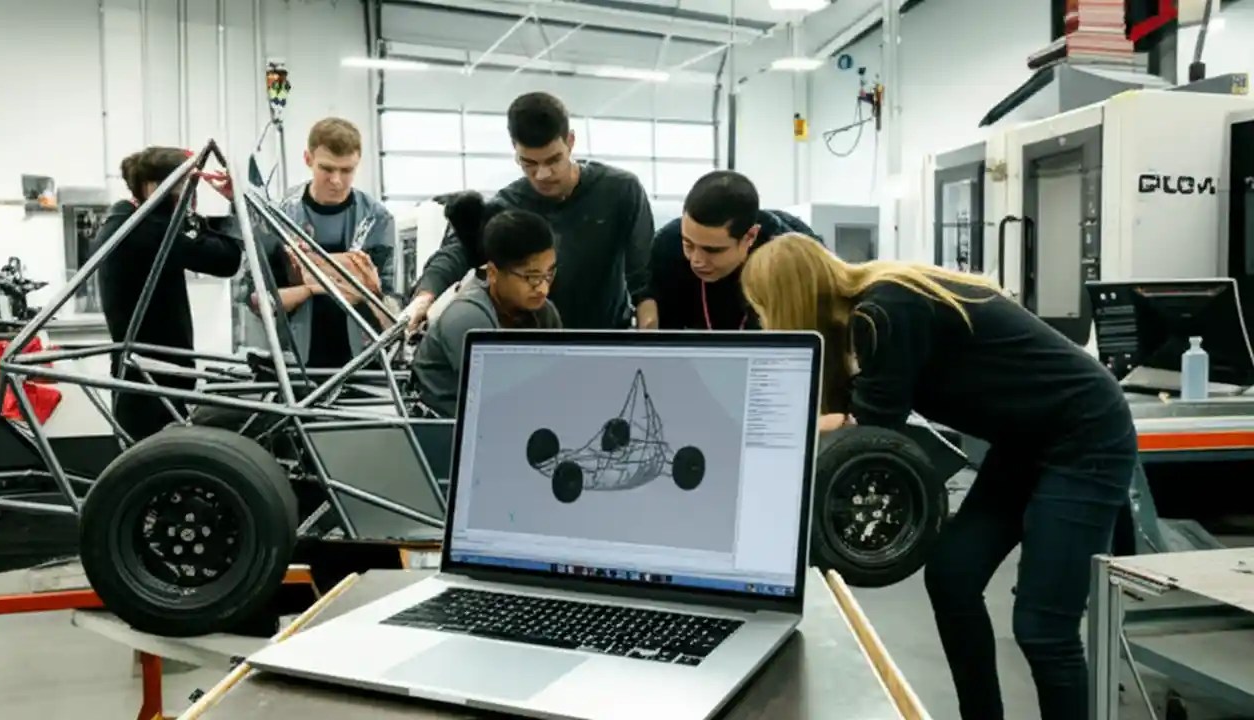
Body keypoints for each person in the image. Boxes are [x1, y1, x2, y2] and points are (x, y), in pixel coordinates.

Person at [740, 233, 1138, 720]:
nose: (763, 320)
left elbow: (874, 435)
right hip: (1027, 438)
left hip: (1085, 434)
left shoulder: (884, 310)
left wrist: (799, 426)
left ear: (786, 299)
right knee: (953, 576)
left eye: (762, 308)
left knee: (1043, 627)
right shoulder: (868, 313)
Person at [404, 91, 654, 331]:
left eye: (553, 160)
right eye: (529, 164)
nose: (542, 174)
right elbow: (455, 252)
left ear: (570, 141)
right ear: (515, 148)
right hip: (536, 343)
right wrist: (424, 297)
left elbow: (644, 280)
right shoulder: (508, 206)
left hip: (606, 339)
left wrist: (649, 342)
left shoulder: (621, 191)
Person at [97, 146, 243, 441]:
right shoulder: (142, 227)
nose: (191, 198)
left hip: (153, 375)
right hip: (150, 382)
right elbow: (227, 259)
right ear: (154, 187)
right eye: (187, 187)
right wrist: (235, 202)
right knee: (154, 472)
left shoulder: (129, 217)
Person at [250, 117, 397, 368]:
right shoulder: (278, 217)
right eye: (327, 169)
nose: (336, 180)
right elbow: (256, 299)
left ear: (357, 163)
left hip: (362, 361)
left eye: (347, 170)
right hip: (296, 361)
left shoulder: (377, 219)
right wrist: (322, 286)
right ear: (308, 160)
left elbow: (390, 303)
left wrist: (311, 281)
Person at [411, 199, 561, 417]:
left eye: (549, 274)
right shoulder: (465, 318)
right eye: (531, 277)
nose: (543, 288)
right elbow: (503, 400)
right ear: (492, 273)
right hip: (444, 434)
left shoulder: (543, 312)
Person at [645, 170, 821, 330]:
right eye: (688, 244)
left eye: (712, 250)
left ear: (750, 237)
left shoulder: (791, 255)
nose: (696, 260)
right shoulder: (667, 247)